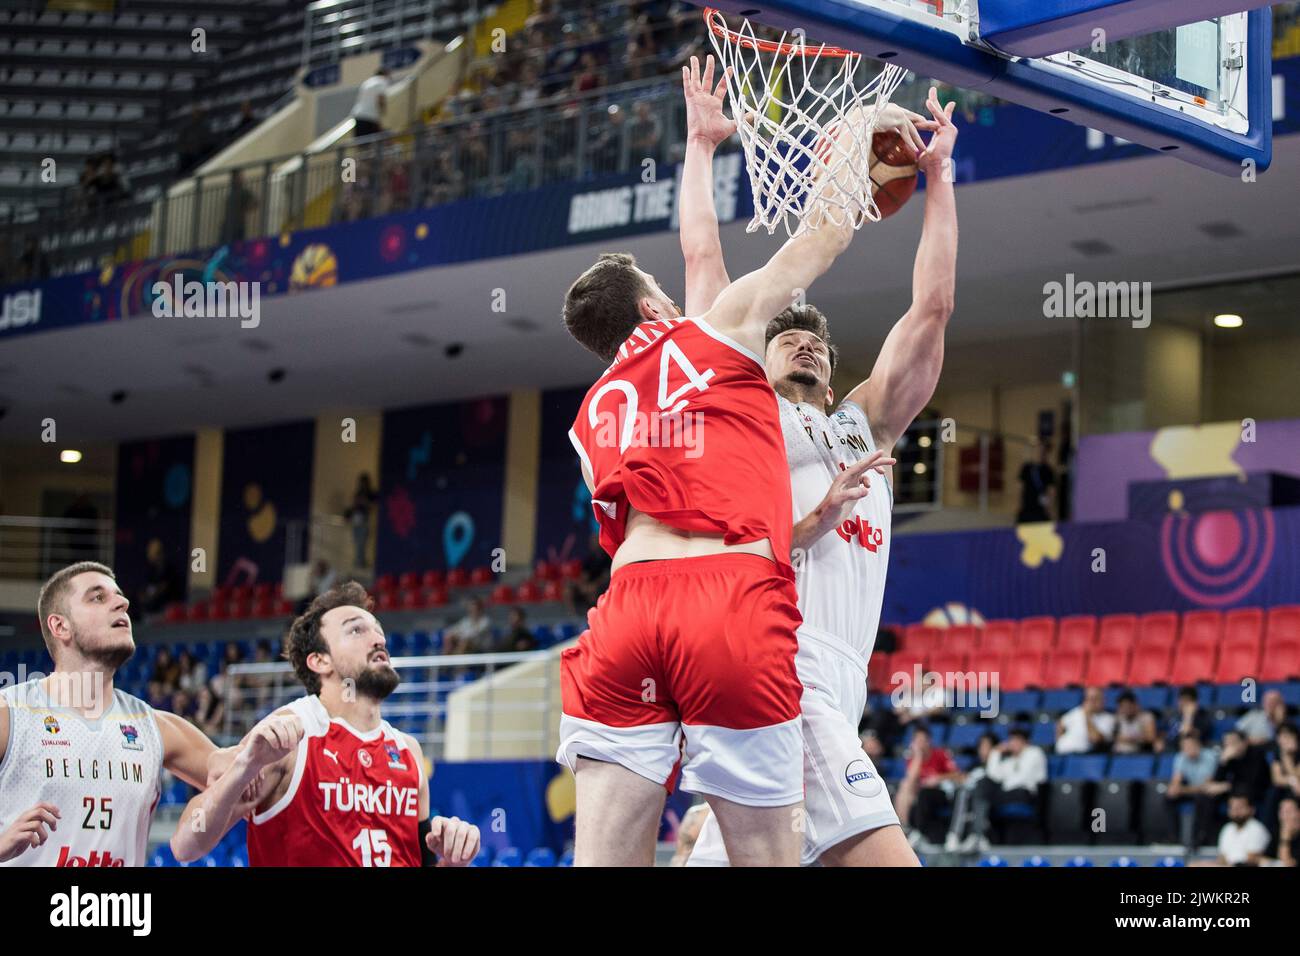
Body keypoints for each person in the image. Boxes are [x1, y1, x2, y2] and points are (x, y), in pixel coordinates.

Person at [559, 51, 943, 866]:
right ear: (656, 307)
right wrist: (853, 133)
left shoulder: (592, 415)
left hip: (627, 607)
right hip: (727, 600)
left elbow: (700, 259)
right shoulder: (710, 334)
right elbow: (821, 233)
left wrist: (699, 152)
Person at [171, 581, 480, 866]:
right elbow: (186, 845)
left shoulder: (408, 751)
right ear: (319, 661)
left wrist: (453, 860)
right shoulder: (290, 734)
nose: (378, 639)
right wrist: (245, 767)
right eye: (356, 631)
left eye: (377, 629)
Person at [0, 562, 243, 867]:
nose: (123, 602)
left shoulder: (156, 726)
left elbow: (243, 776)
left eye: (119, 596)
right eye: (97, 597)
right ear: (60, 626)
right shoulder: (11, 715)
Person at [969, 728, 1048, 847]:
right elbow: (993, 775)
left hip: (1026, 794)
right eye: (1011, 740)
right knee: (982, 786)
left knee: (981, 793)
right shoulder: (1010, 760)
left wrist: (1003, 785)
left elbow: (1023, 778)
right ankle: (979, 834)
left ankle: (978, 834)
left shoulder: (1034, 753)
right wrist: (995, 752)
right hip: (1007, 794)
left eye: (1016, 740)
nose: (1012, 743)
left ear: (1025, 742)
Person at [894, 725, 963, 846]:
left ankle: (918, 831)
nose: (920, 744)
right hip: (921, 796)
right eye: (917, 740)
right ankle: (905, 829)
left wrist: (938, 778)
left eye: (922, 740)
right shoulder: (914, 758)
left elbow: (958, 775)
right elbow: (910, 779)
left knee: (924, 793)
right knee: (904, 786)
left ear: (928, 741)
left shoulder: (940, 754)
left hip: (941, 793)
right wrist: (918, 756)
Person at [1166, 730, 1219, 849]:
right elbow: (1175, 782)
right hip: (1191, 790)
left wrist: (1182, 789)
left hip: (1207, 793)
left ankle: (1200, 838)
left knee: (1203, 799)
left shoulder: (1209, 756)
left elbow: (1206, 786)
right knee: (1169, 798)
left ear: (1198, 745)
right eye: (1184, 747)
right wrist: (1174, 789)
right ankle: (1173, 838)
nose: (1187, 749)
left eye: (1190, 746)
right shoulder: (1180, 757)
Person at [1197, 793, 1271, 867]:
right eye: (1232, 807)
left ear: (1251, 810)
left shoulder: (1256, 828)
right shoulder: (1227, 828)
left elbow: (1251, 860)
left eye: (1240, 807)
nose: (1235, 811)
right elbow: (1222, 858)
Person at [1056, 686, 1116, 754]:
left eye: (1096, 699)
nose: (1092, 702)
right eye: (1090, 699)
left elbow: (1095, 739)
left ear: (1103, 700)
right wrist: (1059, 741)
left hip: (1083, 756)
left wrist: (1087, 716)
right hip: (1062, 753)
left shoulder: (1109, 719)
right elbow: (1061, 723)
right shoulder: (1077, 711)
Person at [566, 531, 611, 615]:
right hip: (589, 585)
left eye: (595, 540)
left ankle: (598, 614)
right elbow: (584, 575)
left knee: (594, 590)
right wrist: (583, 585)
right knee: (570, 587)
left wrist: (593, 585)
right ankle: (573, 615)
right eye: (592, 541)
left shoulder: (607, 557)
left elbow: (606, 576)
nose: (593, 543)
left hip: (601, 586)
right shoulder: (589, 559)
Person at [1158, 685, 1213, 752]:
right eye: (1181, 700)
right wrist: (1159, 741)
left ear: (1195, 703)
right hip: (1168, 752)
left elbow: (1187, 735)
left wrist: (1188, 716)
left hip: (1186, 754)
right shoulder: (1175, 716)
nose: (1182, 704)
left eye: (1186, 701)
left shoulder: (1202, 717)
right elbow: (1165, 733)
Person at [1016, 439, 1055, 523]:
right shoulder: (1026, 467)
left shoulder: (1048, 470)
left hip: (1041, 511)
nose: (1039, 453)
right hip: (1027, 509)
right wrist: (1019, 505)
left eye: (1042, 450)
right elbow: (1020, 487)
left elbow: (1051, 491)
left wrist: (1049, 508)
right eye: (1037, 450)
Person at [347, 474, 377, 570]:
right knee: (357, 541)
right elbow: (353, 505)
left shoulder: (370, 493)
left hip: (365, 519)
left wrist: (365, 502)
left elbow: (373, 505)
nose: (362, 484)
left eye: (363, 482)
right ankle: (359, 561)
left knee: (362, 541)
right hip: (356, 519)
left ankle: (361, 562)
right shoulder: (358, 492)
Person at [352, 66, 389, 138]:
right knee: (374, 141)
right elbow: (380, 98)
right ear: (385, 74)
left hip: (358, 115)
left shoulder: (367, 82)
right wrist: (382, 112)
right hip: (369, 117)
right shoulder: (382, 81)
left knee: (362, 143)